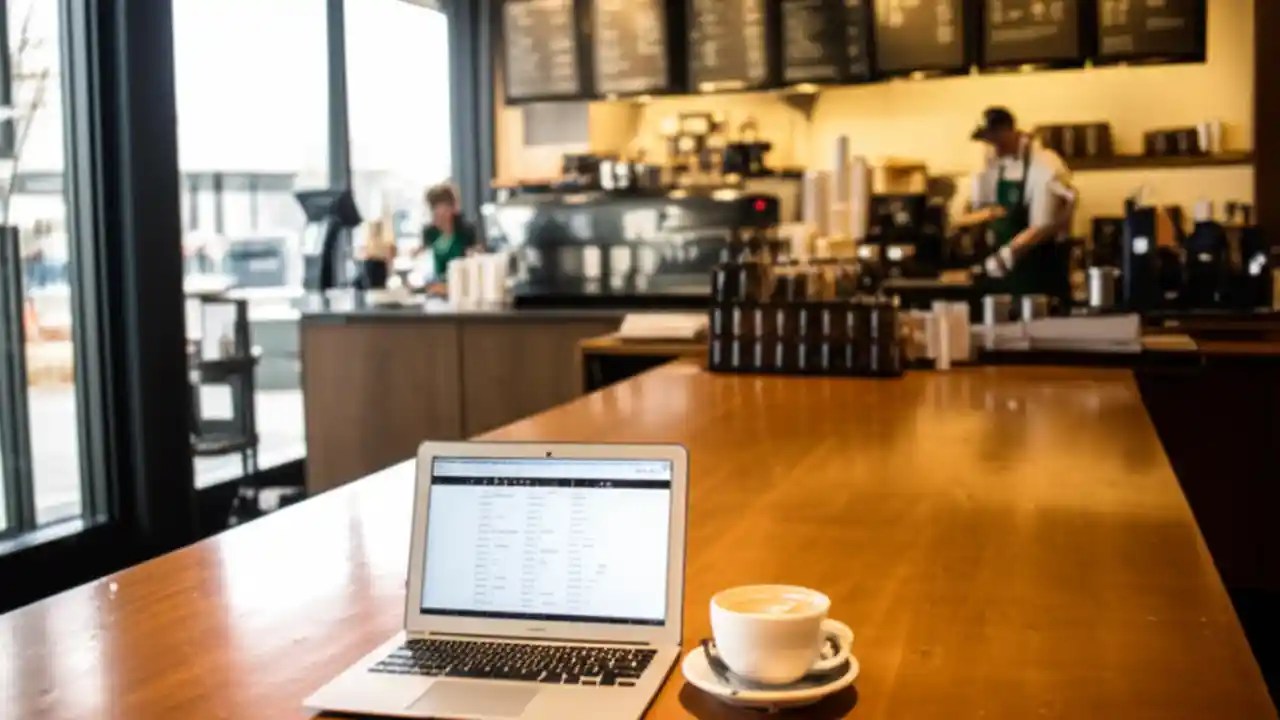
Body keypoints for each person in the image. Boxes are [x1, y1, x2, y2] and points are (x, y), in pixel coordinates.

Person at [958, 106, 1077, 297]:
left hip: (1040, 274)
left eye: (995, 137)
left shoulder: (1045, 164)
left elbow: (1043, 225)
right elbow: (972, 209)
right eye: (987, 139)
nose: (992, 145)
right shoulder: (996, 163)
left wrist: (1005, 257)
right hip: (1007, 275)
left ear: (1009, 131)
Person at [421, 183, 480, 295]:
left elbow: (474, 264)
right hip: (435, 291)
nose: (437, 213)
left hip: (462, 291)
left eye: (441, 207)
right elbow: (424, 265)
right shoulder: (429, 233)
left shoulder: (466, 232)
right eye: (433, 208)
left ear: (452, 208)